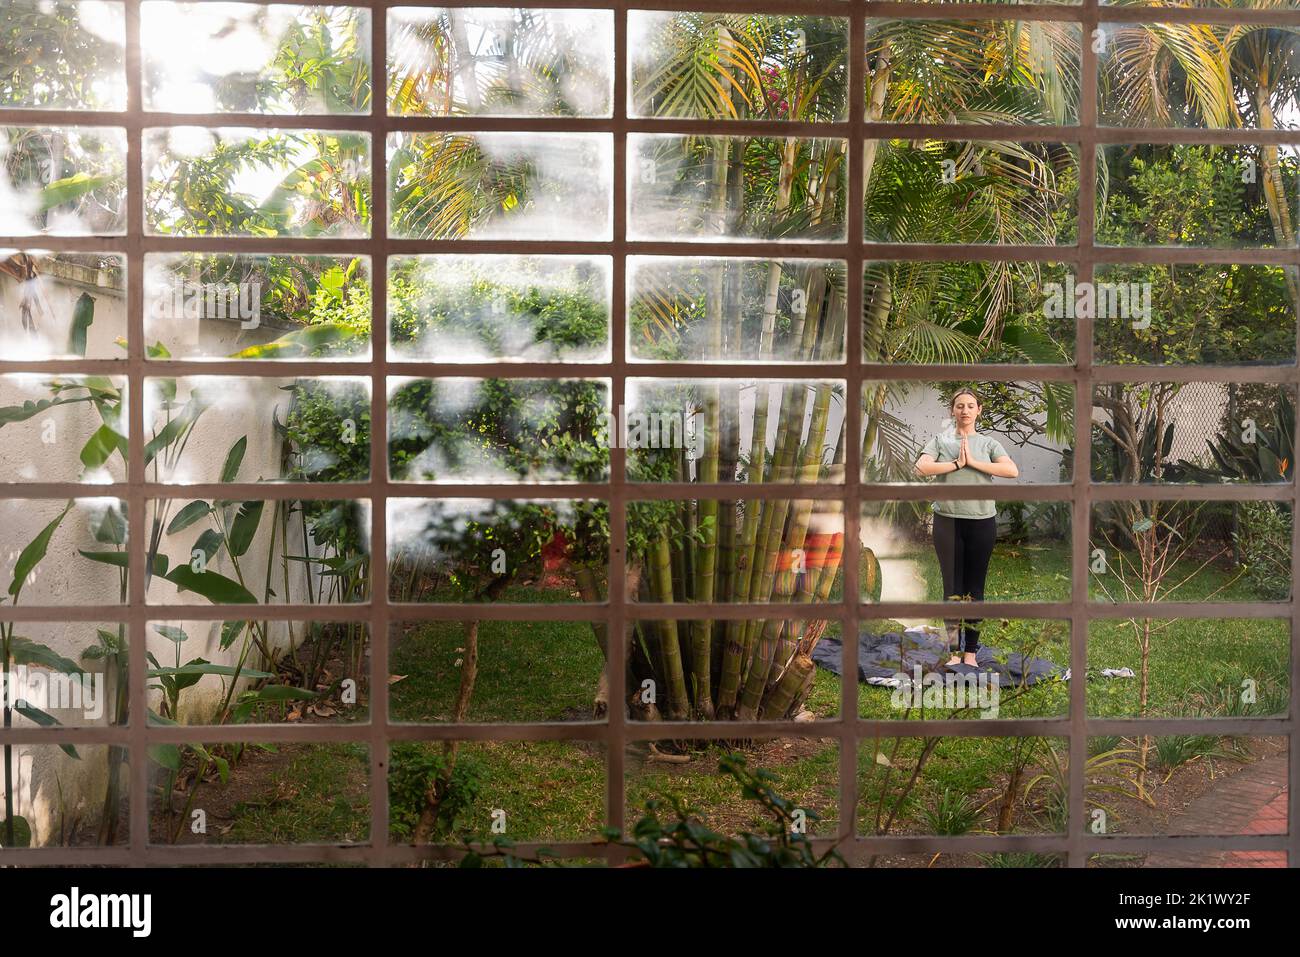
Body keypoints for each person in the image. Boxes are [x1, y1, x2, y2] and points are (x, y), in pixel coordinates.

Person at [913, 387, 1019, 668]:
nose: (965, 410)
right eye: (960, 406)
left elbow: (1011, 470)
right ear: (953, 410)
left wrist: (973, 462)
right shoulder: (941, 440)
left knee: (974, 589)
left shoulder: (988, 443)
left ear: (979, 410)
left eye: (971, 406)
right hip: (947, 521)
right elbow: (921, 468)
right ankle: (953, 653)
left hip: (981, 522)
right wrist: (956, 464)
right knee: (952, 588)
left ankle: (970, 653)